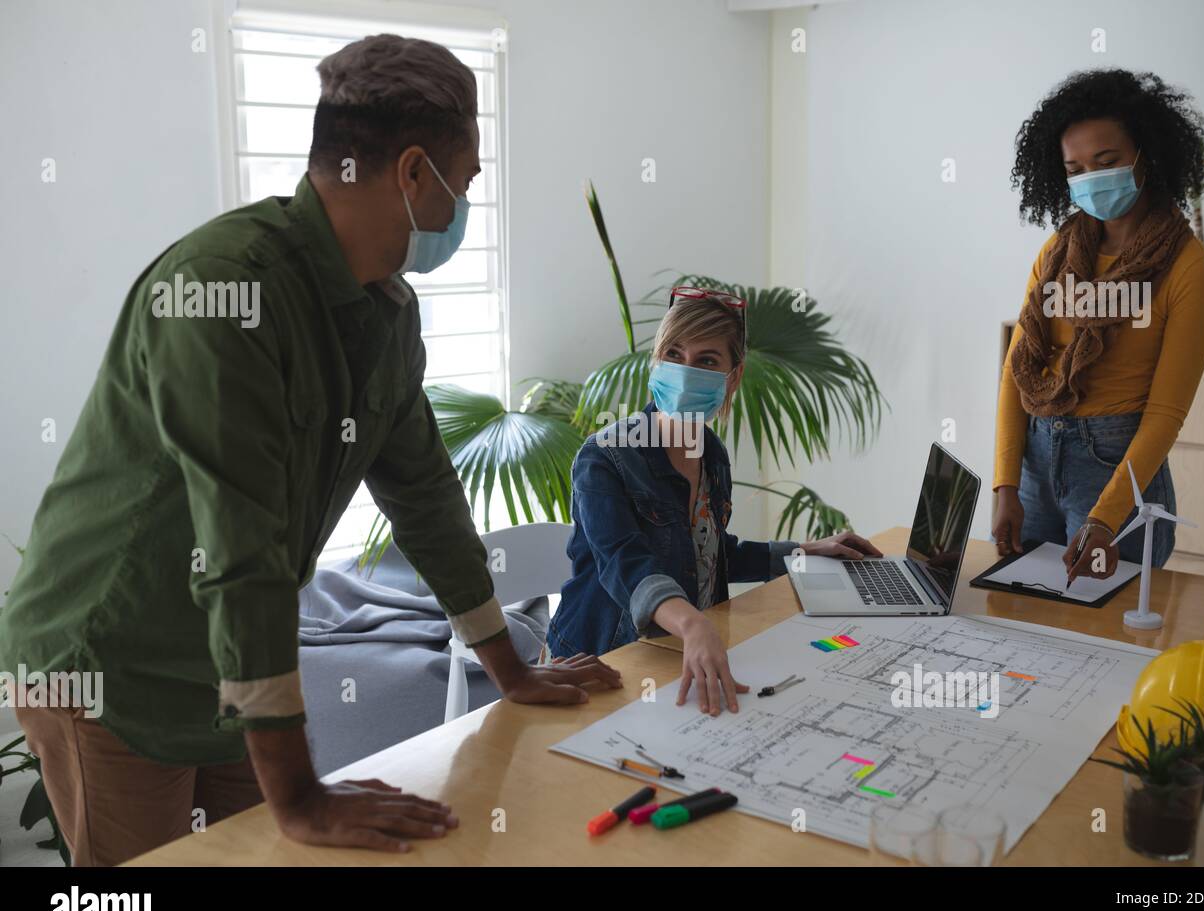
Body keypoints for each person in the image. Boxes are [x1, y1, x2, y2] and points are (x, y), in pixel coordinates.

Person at [0, 34, 619, 867]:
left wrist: (508, 668)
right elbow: (239, 550)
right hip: (107, 662)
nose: (466, 206)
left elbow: (425, 498)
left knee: (265, 852)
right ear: (410, 174)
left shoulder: (386, 312)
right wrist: (300, 793)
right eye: (466, 181)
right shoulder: (223, 291)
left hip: (226, 660)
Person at [546, 288, 879, 716]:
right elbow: (624, 564)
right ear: (656, 362)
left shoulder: (712, 454)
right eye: (674, 353)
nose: (685, 371)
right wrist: (693, 624)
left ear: (733, 377)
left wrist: (803, 552)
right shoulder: (604, 456)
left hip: (680, 653)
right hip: (602, 662)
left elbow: (710, 554)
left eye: (706, 361)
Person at [993, 69, 1204, 583]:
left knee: (1102, 639)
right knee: (1020, 623)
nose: (1091, 177)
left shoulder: (1188, 267)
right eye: (1075, 168)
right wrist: (1006, 484)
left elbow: (1165, 413)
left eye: (1108, 161)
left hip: (1117, 470)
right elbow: (1018, 369)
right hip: (1035, 459)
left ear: (1146, 154)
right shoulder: (1057, 253)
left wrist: (1105, 518)